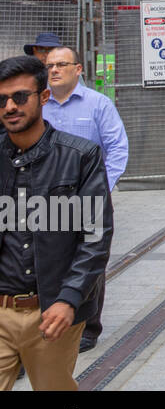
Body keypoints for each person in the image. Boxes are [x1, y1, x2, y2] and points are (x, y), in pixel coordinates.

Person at [0, 56, 113, 390]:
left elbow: (95, 237)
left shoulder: (80, 156)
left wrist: (68, 298)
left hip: (52, 312)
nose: (9, 107)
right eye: (2, 100)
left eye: (20, 97)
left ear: (44, 97)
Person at [41, 47, 129, 350]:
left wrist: (102, 188)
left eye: (61, 65)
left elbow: (117, 147)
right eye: (49, 65)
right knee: (48, 257)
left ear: (78, 69)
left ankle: (88, 326)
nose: (53, 70)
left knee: (90, 256)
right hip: (47, 199)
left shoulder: (98, 105)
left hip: (89, 197)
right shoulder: (40, 105)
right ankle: (49, 321)